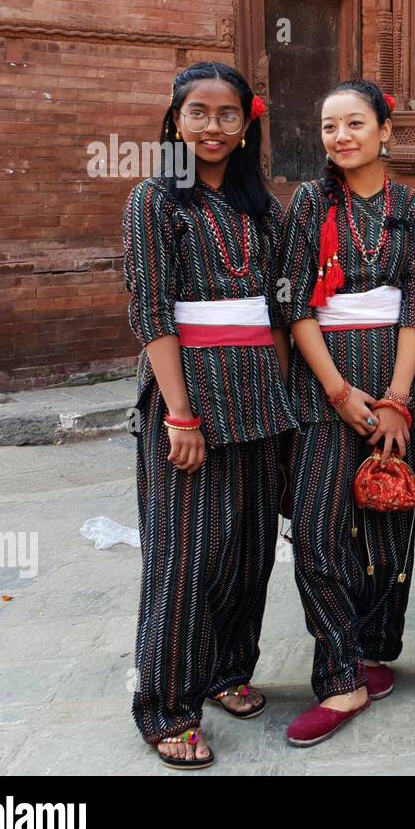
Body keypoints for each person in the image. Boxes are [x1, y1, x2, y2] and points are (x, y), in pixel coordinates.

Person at [123, 62, 298, 769]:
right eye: (199, 112)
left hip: (258, 391)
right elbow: (150, 309)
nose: (214, 128)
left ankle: (227, 670)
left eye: (229, 114)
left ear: (247, 122)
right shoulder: (154, 200)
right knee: (185, 552)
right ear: (174, 119)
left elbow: (282, 309)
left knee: (250, 547)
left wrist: (283, 399)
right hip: (187, 389)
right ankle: (166, 703)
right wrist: (179, 414)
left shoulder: (265, 207)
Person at [276, 79, 415, 747]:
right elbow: (293, 305)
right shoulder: (311, 202)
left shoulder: (413, 207)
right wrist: (341, 393)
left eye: (354, 124)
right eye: (328, 126)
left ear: (384, 131)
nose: (341, 137)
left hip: (395, 382)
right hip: (325, 382)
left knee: (384, 524)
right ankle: (339, 677)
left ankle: (369, 651)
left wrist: (398, 398)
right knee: (316, 529)